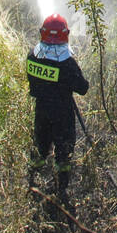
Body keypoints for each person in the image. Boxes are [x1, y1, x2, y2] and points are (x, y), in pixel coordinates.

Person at [26, 13, 89, 205]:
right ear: (65, 35)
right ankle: (61, 191)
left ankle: (32, 185)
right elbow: (83, 88)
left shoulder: (33, 55)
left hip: (41, 111)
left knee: (40, 146)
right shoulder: (67, 63)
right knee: (64, 151)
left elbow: (33, 84)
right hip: (62, 114)